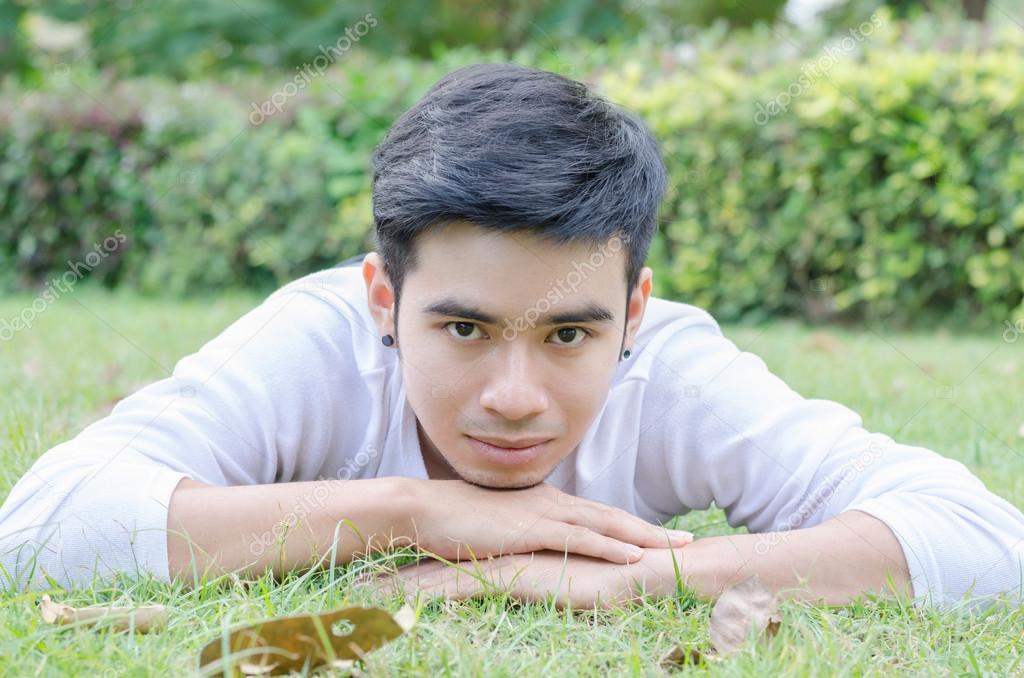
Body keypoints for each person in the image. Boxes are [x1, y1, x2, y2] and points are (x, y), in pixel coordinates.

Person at [2, 63, 1022, 611]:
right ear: (380, 298)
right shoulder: (314, 341)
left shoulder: (672, 367)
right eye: (464, 327)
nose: (515, 394)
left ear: (633, 312)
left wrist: (623, 581)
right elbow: (39, 532)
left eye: (570, 334)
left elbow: (985, 545)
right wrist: (414, 511)